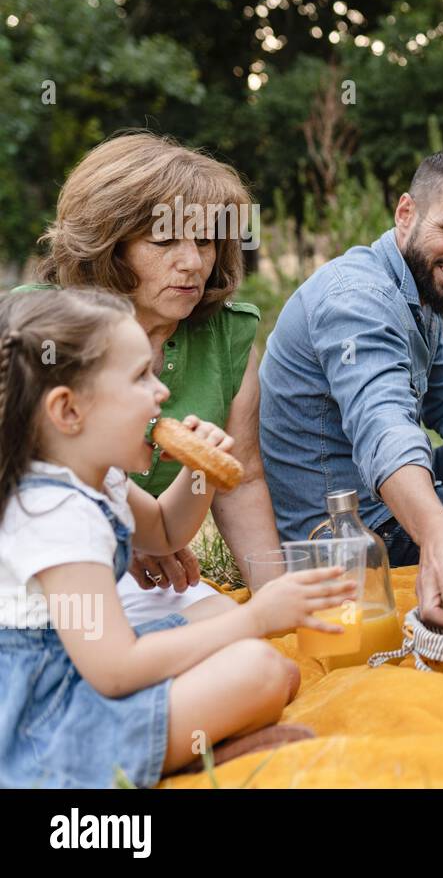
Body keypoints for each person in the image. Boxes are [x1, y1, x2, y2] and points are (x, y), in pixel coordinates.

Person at [0, 289, 353, 788]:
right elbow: (117, 670)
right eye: (139, 377)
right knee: (262, 670)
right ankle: (179, 757)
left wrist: (198, 472)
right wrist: (258, 616)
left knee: (220, 616)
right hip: (47, 728)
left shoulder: (96, 476)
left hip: (77, 673)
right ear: (69, 411)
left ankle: (194, 743)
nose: (161, 390)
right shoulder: (56, 515)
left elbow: (166, 531)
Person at [259, 148, 443, 627]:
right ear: (406, 213)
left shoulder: (415, 287)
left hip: (373, 490)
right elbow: (384, 427)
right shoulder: (357, 300)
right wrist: (437, 529)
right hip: (345, 533)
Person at [16, 132, 281, 625]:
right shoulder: (40, 327)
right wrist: (116, 532)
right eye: (164, 241)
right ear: (110, 248)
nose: (193, 263)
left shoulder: (227, 333)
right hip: (31, 568)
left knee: (240, 644)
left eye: (205, 241)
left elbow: (239, 480)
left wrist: (277, 603)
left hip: (132, 564)